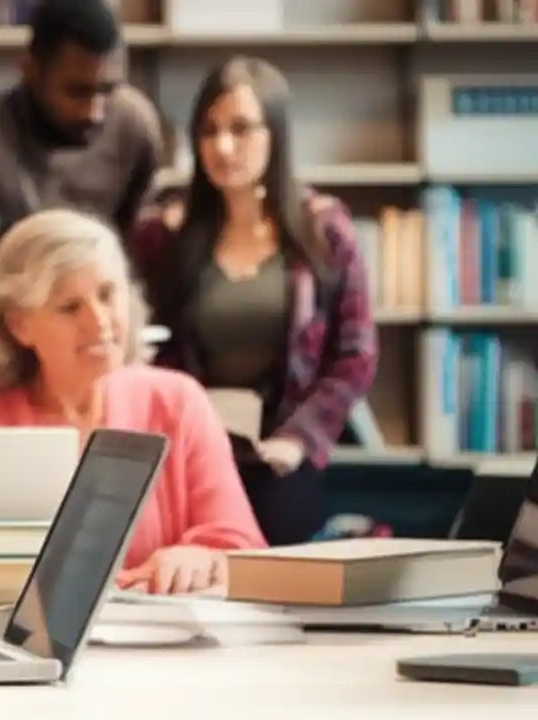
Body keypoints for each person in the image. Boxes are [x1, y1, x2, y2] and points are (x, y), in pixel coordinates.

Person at [0, 208, 267, 595]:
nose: (100, 321)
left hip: (162, 648)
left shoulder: (177, 400)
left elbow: (242, 548)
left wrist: (202, 558)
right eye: (70, 307)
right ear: (20, 324)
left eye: (107, 295)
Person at [130, 56, 378, 546]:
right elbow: (151, 349)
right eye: (209, 130)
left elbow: (356, 355)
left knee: (273, 569)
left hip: (281, 455)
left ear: (276, 135)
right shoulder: (164, 237)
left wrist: (298, 438)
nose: (222, 147)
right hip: (190, 452)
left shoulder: (323, 229)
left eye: (241, 129)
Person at [0, 0, 163, 309]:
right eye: (77, 92)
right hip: (4, 330)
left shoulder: (133, 125)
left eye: (108, 89)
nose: (95, 112)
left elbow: (135, 260)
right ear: (30, 71)